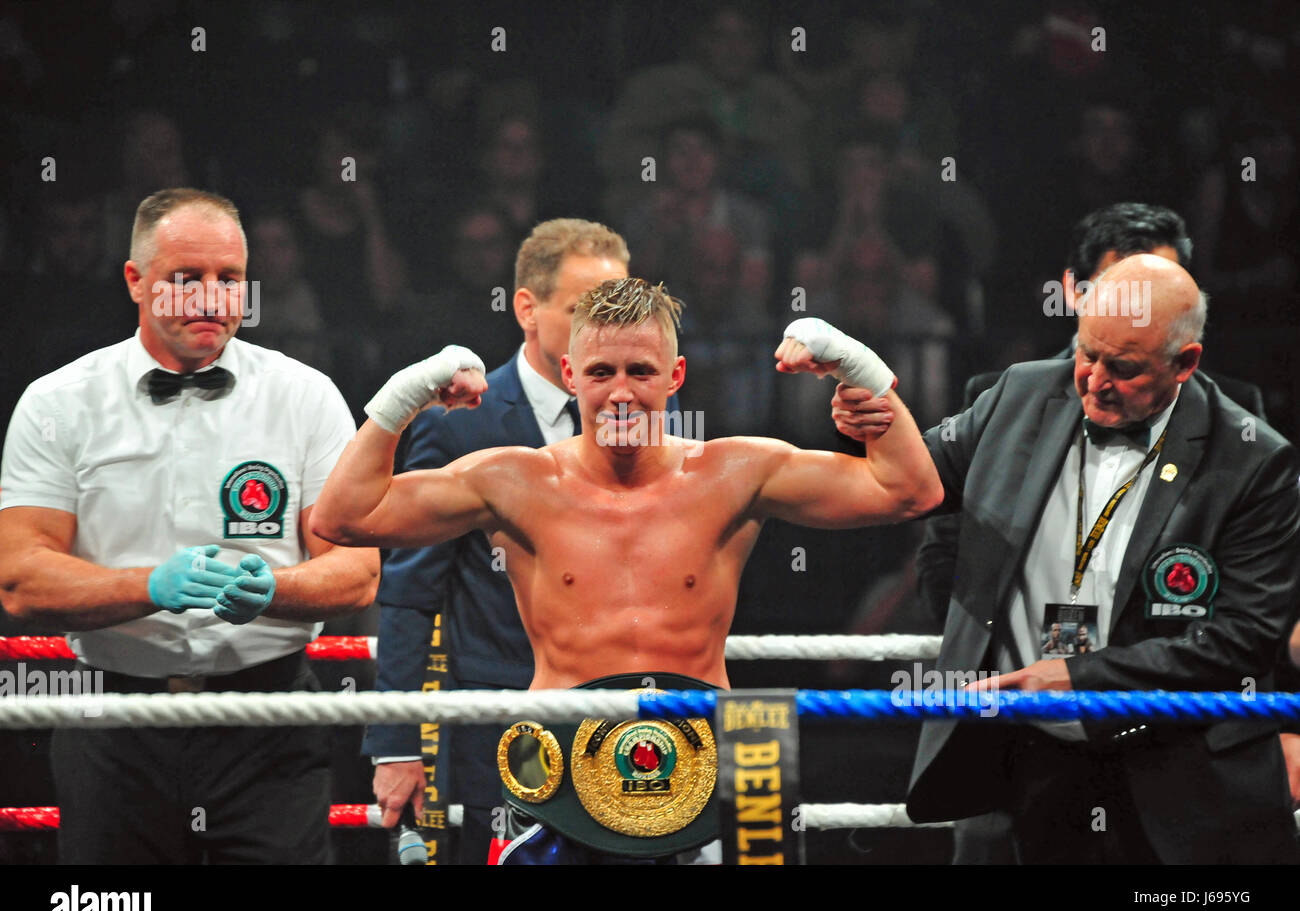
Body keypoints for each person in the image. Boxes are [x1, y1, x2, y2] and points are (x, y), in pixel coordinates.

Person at [312, 277, 942, 862]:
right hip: (558, 767)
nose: (620, 391)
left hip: (703, 765)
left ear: (675, 375)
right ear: (569, 375)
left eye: (641, 371)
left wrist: (859, 369)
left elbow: (910, 491)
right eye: (601, 371)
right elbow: (344, 518)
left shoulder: (734, 473)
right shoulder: (514, 480)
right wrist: (404, 398)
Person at [835, 254, 1300, 864]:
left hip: (1184, 775)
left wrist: (1083, 677)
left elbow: (1245, 638)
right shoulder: (1019, 394)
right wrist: (868, 422)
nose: (1095, 380)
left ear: (1185, 363)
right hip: (1039, 764)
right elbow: (913, 483)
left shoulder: (1252, 460)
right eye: (1087, 353)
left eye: (1124, 368)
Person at [0, 188, 380, 864]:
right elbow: (21, 579)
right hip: (113, 720)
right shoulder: (58, 402)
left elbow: (357, 572)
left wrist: (277, 588)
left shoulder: (307, 396)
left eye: (229, 279)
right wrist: (151, 585)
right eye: (185, 279)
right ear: (135, 281)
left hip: (269, 719)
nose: (210, 299)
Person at [366, 218, 675, 864]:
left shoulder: (643, 413)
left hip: (628, 729)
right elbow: (408, 590)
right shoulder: (462, 423)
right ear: (527, 309)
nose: (608, 325)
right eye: (585, 307)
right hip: (502, 733)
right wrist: (397, 743)